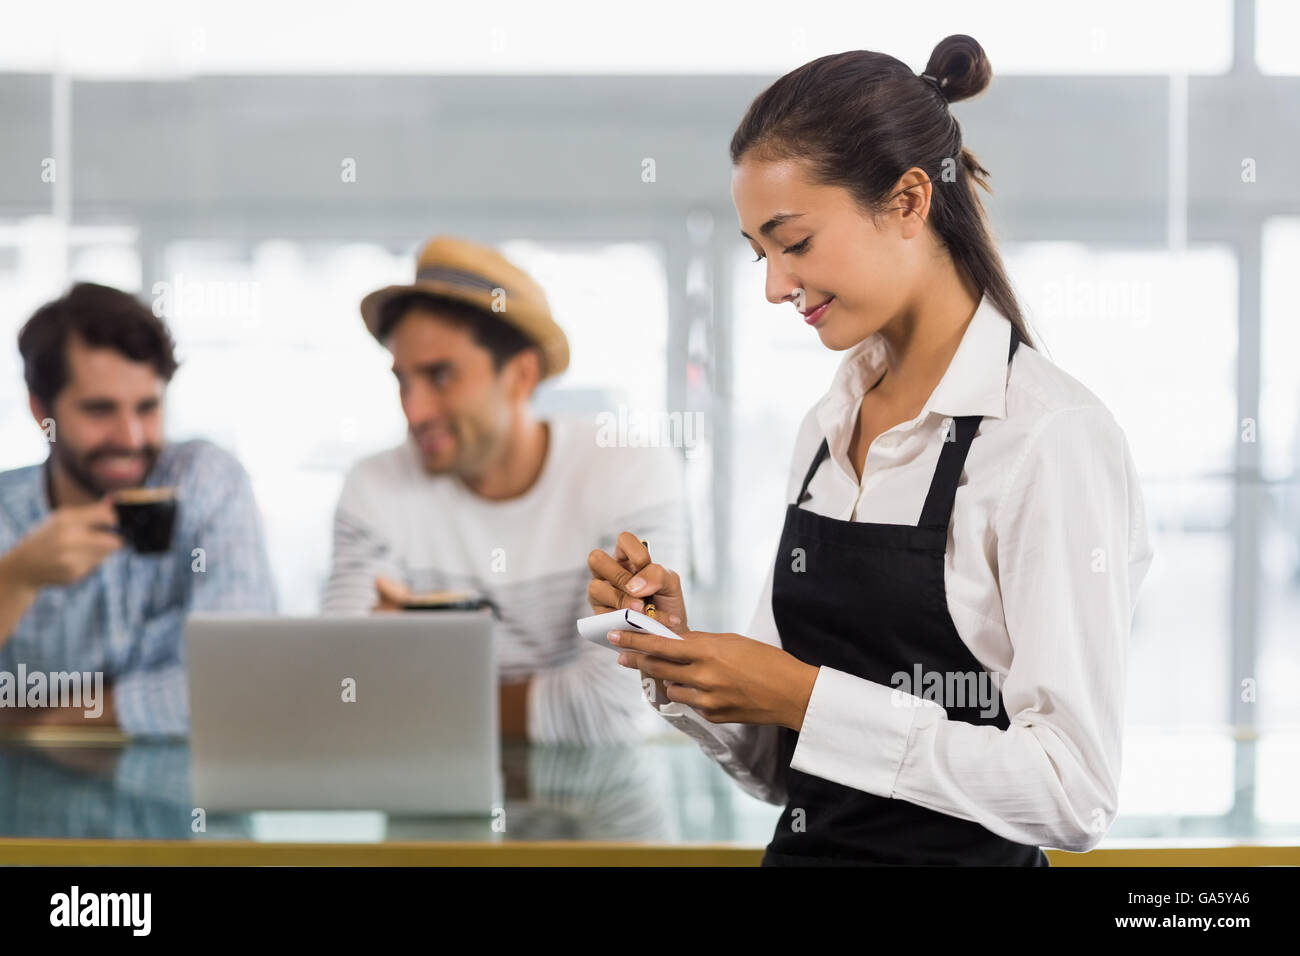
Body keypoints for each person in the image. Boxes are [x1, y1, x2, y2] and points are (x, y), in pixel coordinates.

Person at [587, 35, 1154, 865]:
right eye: (761, 253)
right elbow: (784, 774)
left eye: (796, 242)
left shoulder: (1048, 439)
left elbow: (1072, 795)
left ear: (910, 201)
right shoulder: (828, 424)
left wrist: (808, 698)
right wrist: (685, 661)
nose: (776, 285)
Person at [323, 236, 688, 745]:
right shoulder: (373, 487)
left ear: (520, 375)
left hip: (600, 820)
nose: (414, 411)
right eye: (403, 381)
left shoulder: (628, 470)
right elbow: (347, 693)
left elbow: (609, 709)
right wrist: (377, 683)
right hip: (427, 814)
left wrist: (410, 683)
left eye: (440, 375)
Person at [0, 283, 276, 736]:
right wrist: (16, 579)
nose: (131, 438)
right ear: (40, 411)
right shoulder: (7, 517)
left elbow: (240, 683)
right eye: (100, 410)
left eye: (147, 408)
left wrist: (33, 722)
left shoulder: (207, 483)